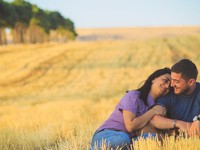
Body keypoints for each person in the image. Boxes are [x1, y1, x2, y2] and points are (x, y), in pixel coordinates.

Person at [90, 67, 172, 150]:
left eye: (170, 86)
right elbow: (130, 126)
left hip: (130, 140)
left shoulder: (158, 106)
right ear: (154, 79)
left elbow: (146, 131)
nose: (166, 86)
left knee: (152, 139)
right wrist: (153, 112)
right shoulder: (134, 96)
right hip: (109, 135)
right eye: (165, 80)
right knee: (122, 140)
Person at [149, 59, 200, 136]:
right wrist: (179, 124)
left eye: (176, 81)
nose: (172, 85)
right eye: (172, 80)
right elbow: (154, 119)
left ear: (191, 82)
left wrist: (197, 120)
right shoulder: (169, 93)